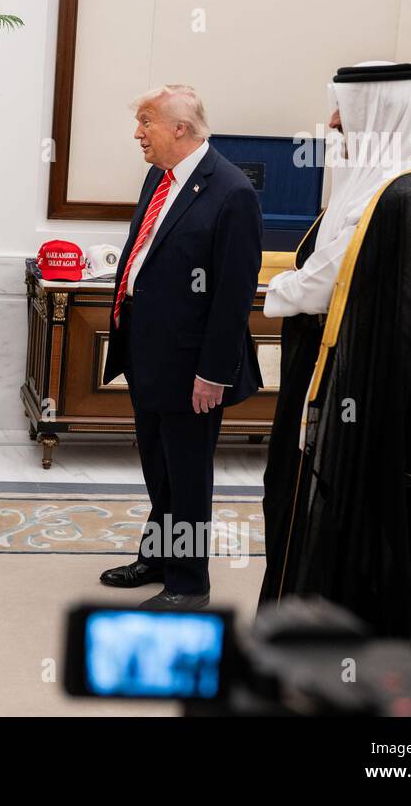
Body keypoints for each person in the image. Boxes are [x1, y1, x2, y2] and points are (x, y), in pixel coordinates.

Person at [258, 62, 411, 647]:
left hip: (353, 389)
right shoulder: (405, 183)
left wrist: (277, 290)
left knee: (320, 504)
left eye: (345, 110)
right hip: (360, 383)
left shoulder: (392, 191)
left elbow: (320, 283)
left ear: (381, 112)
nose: (333, 121)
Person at [98, 85, 263, 607]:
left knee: (188, 478)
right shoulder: (159, 178)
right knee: (160, 468)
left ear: (179, 129)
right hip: (149, 356)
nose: (137, 133)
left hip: (194, 369)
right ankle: (158, 556)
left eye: (146, 122)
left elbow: (234, 295)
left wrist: (214, 373)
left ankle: (189, 584)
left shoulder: (232, 192)